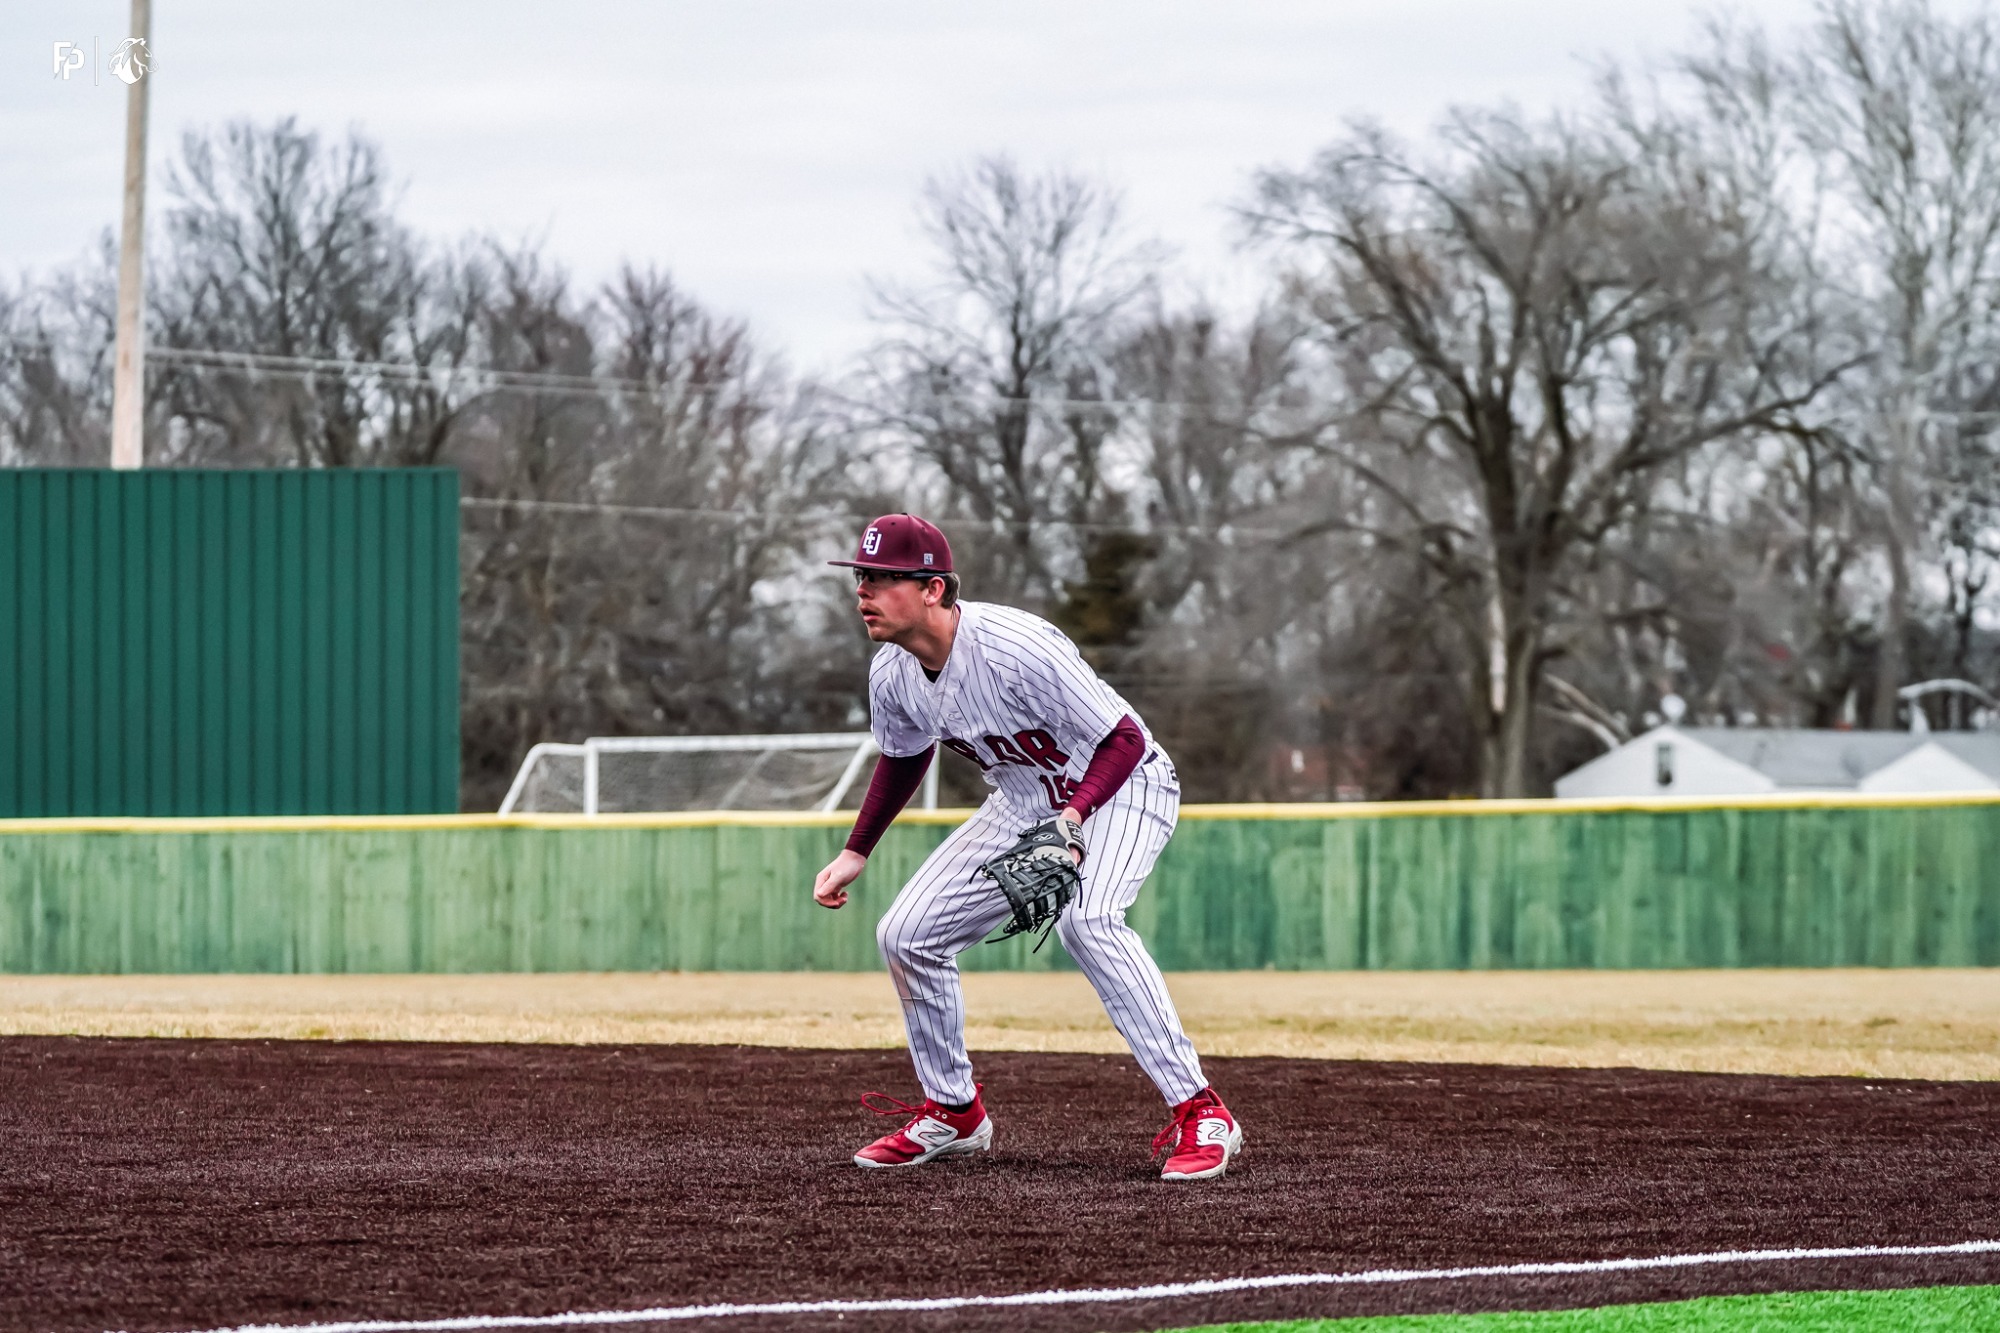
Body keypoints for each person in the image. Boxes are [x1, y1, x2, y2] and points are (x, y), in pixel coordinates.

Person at [812, 513, 1242, 1181]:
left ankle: (1201, 1110)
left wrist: (1072, 819)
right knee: (906, 933)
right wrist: (857, 849)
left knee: (1088, 921)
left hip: (1124, 787)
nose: (863, 590)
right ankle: (954, 1111)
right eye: (861, 577)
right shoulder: (892, 672)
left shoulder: (1015, 646)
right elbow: (903, 755)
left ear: (932, 589)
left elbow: (1123, 739)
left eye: (881, 578)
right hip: (1021, 800)